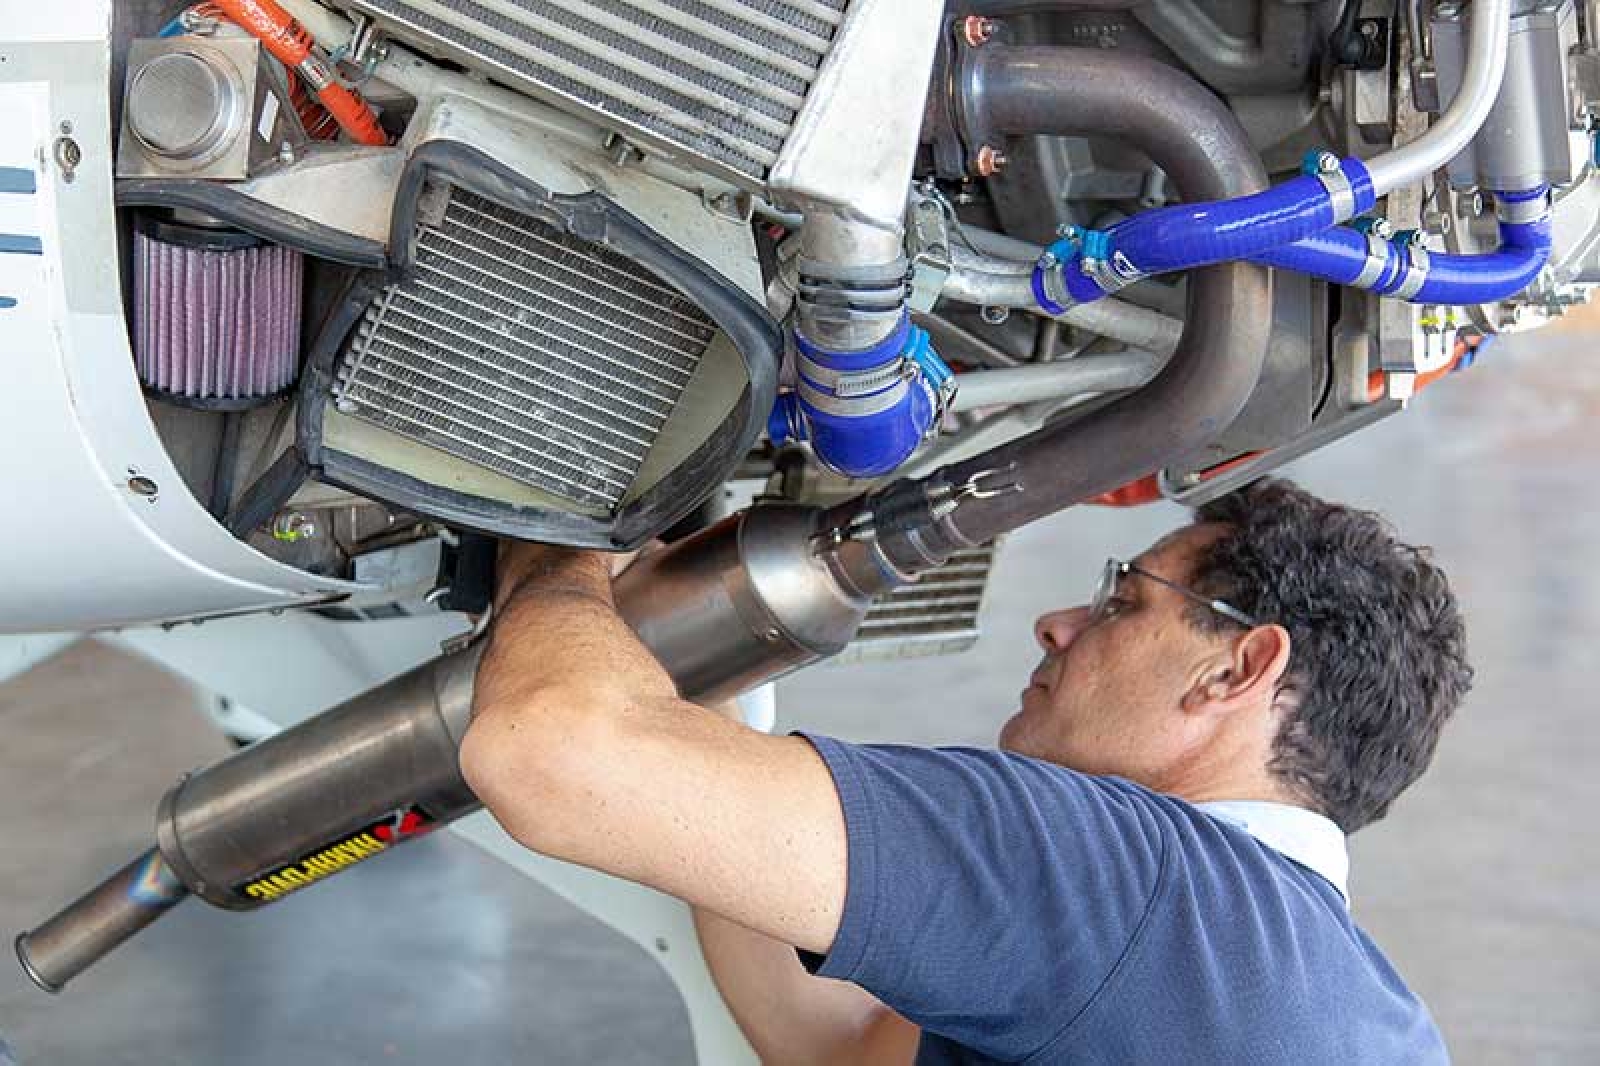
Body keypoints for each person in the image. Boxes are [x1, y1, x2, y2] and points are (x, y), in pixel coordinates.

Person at [461, 478, 1471, 1064]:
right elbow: (840, 1047)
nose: (1059, 622)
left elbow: (548, 748)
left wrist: (553, 546)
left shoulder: (1116, 879)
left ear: (1238, 668)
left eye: (1123, 601)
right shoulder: (1370, 1022)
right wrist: (701, 656)